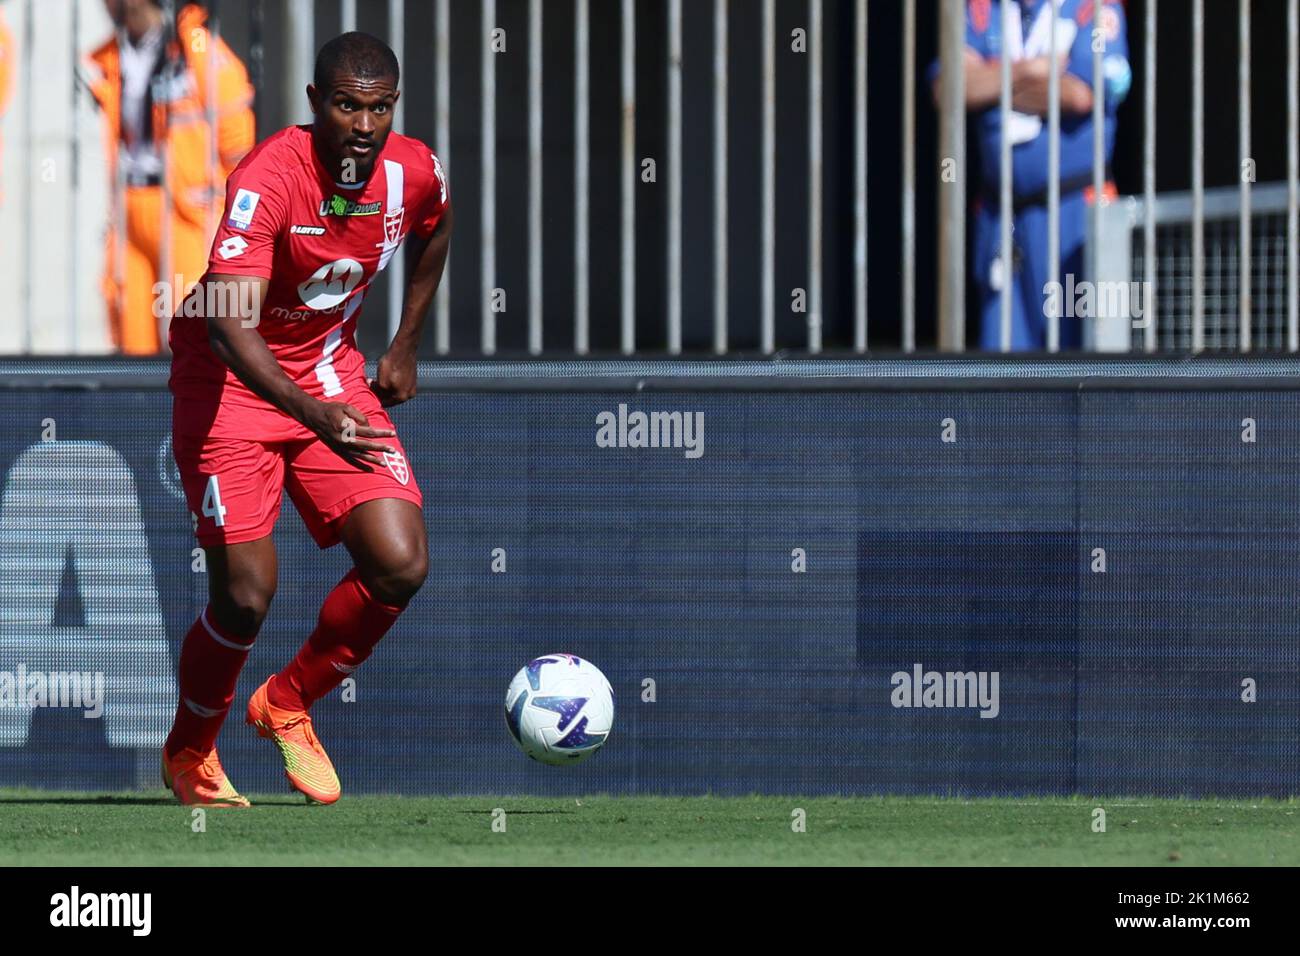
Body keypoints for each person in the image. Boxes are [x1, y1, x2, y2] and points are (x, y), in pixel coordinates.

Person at [162, 31, 453, 806]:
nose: (365, 123)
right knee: (246, 594)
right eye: (349, 105)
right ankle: (191, 748)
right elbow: (228, 322)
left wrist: (405, 346)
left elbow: (436, 228)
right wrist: (310, 413)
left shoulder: (412, 171)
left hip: (328, 378)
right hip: (230, 384)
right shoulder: (266, 180)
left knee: (401, 562)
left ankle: (286, 704)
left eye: (380, 107)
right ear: (316, 103)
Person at [932, 0, 1131, 350]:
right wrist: (1034, 70)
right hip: (1001, 218)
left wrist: (989, 79)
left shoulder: (1092, 7)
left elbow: (1080, 93)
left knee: (1081, 367)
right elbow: (947, 87)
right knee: (1002, 373)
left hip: (1075, 212)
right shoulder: (981, 8)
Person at [89, 0, 255, 355]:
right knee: (132, 336)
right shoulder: (110, 57)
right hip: (131, 209)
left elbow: (238, 144)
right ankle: (137, 410)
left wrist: (228, 215)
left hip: (186, 214)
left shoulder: (197, 49)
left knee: (186, 334)